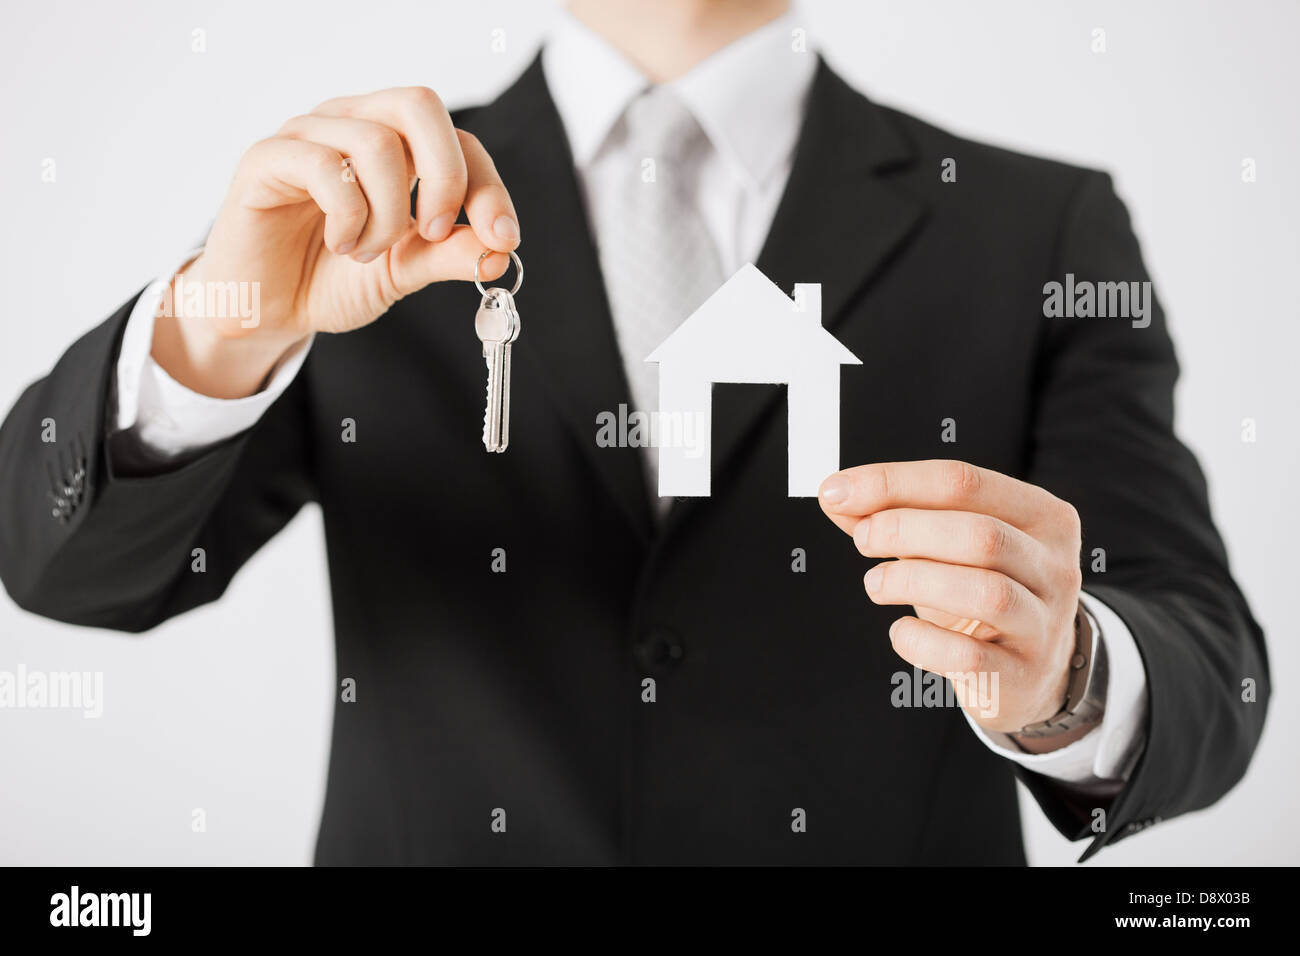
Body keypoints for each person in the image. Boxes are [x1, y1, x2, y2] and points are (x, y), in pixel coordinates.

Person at [0, 0, 1268, 864]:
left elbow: (1213, 666)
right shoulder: (360, 212)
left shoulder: (1035, 227)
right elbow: (62, 569)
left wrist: (1067, 674)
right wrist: (216, 333)